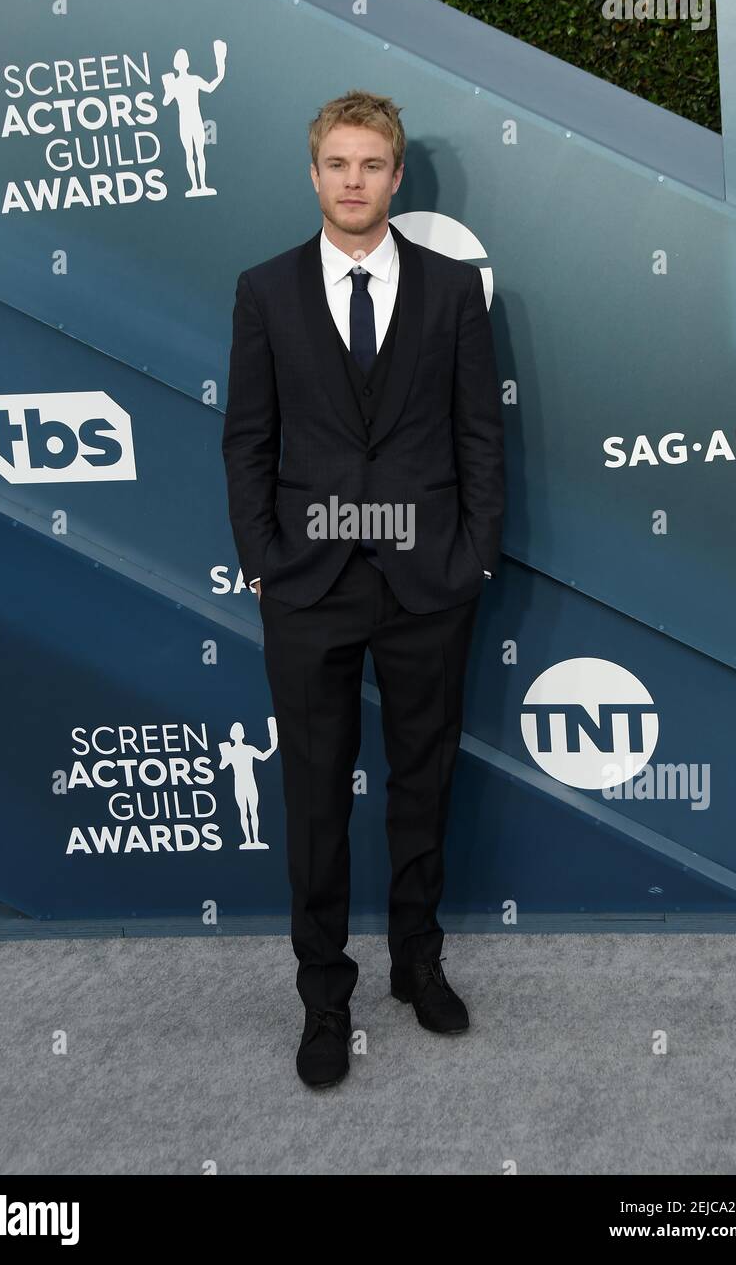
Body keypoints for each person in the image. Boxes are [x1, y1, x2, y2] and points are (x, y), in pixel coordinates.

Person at [221, 89, 505, 1088]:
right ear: (314, 174)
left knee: (420, 784)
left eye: (371, 165)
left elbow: (479, 433)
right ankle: (323, 995)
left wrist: (472, 555)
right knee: (311, 801)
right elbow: (247, 438)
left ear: (395, 175)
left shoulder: (448, 291)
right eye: (336, 164)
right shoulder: (265, 290)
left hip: (428, 580)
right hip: (309, 584)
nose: (353, 182)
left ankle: (415, 964)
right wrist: (262, 560)